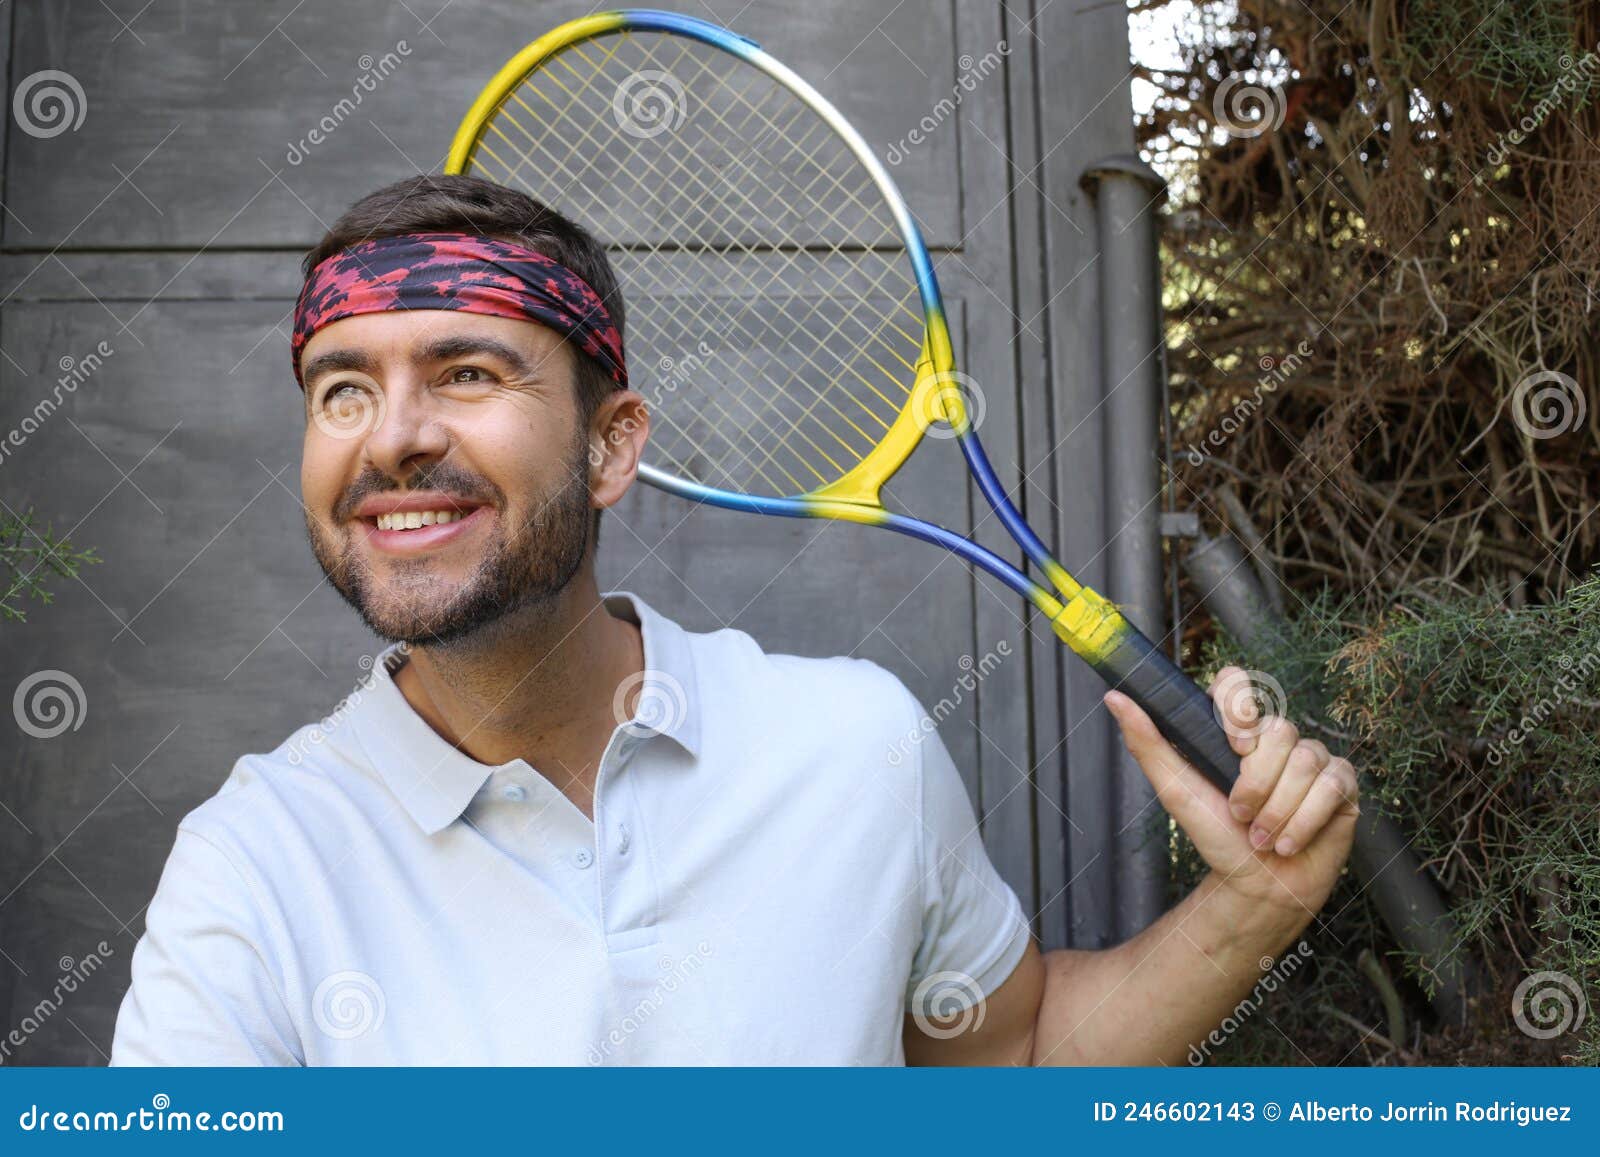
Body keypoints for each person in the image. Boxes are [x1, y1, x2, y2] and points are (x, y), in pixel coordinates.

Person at [110, 174, 1359, 1066]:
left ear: (612, 446)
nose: (394, 436)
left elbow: (1011, 1061)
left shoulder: (852, 744)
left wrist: (1251, 904)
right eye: (342, 390)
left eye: (466, 372)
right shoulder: (252, 864)